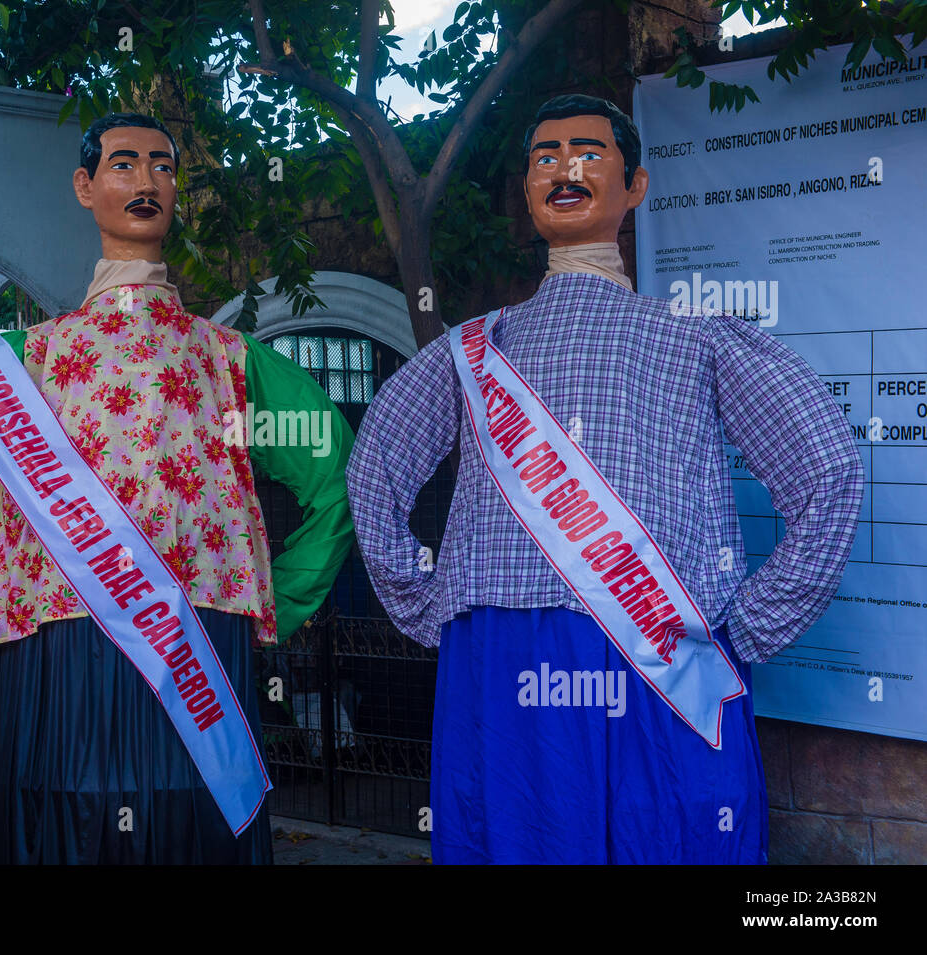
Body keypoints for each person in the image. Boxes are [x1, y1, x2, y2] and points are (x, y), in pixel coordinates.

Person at [344, 94, 864, 864]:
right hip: (503, 661)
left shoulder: (699, 341)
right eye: (544, 156)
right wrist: (432, 605)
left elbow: (829, 470)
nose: (565, 168)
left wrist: (747, 623)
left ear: (637, 185)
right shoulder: (469, 350)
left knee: (664, 839)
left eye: (589, 151)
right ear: (526, 191)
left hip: (660, 653)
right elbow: (374, 468)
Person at [0, 112, 355, 864]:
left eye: (163, 165)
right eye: (123, 165)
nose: (147, 180)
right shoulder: (20, 363)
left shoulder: (232, 361)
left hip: (199, 657)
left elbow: (333, 470)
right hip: (53, 670)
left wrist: (277, 598)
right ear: (84, 187)